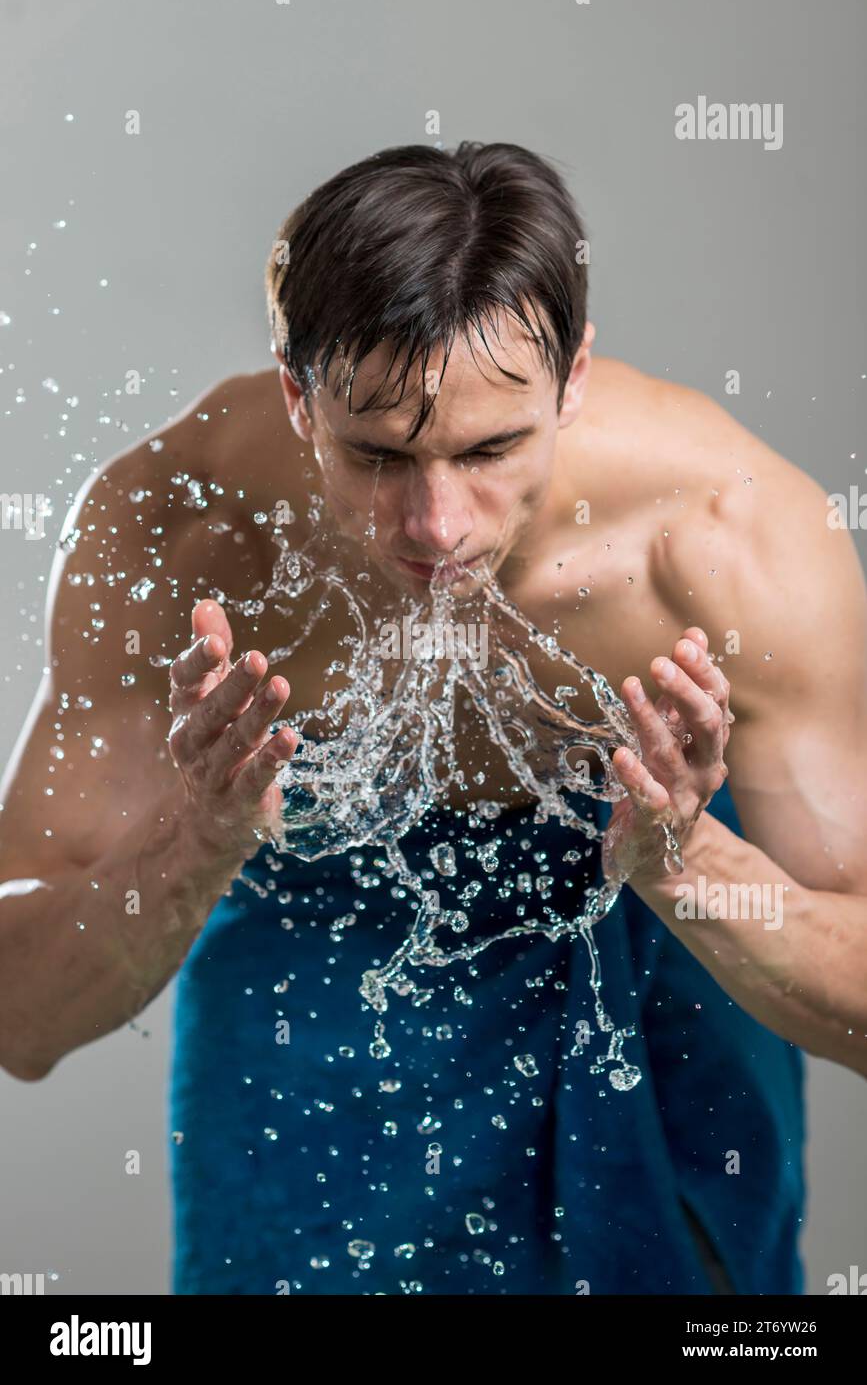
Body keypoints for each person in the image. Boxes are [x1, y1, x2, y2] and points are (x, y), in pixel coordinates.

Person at [1, 142, 865, 1296]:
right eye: (379, 457)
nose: (436, 525)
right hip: (312, 940)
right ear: (298, 393)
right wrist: (195, 839)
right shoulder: (182, 532)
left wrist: (686, 858)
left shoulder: (730, 544)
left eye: (493, 449)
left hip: (651, 937)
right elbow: (19, 1017)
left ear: (572, 380)